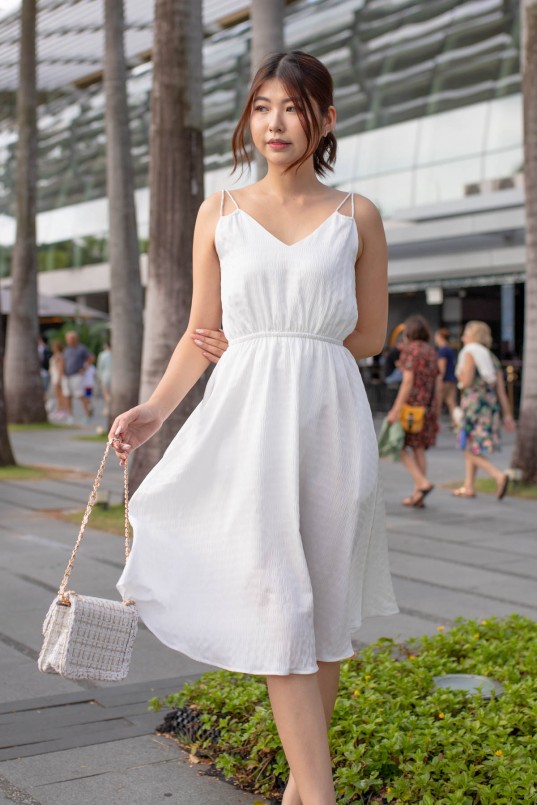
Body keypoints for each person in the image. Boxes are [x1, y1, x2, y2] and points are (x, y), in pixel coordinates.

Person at [110, 50, 398, 804]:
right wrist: (153, 411)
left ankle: (300, 793)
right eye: (263, 106)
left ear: (324, 120)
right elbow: (199, 331)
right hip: (248, 422)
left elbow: (371, 335)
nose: (276, 122)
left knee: (324, 616)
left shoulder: (358, 215)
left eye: (294, 107)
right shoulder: (220, 211)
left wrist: (295, 343)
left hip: (332, 421)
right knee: (281, 608)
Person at [452, 320, 515, 499]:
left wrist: (459, 374)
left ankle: (498, 475)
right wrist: (507, 415)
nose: (463, 337)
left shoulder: (470, 353)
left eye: (466, 334)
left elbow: (466, 382)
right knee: (473, 447)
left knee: (468, 447)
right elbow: (501, 390)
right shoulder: (491, 358)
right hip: (490, 406)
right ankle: (469, 486)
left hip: (474, 405)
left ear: (473, 336)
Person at [386, 315, 440, 508]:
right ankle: (419, 494)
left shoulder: (410, 350)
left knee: (397, 445)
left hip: (411, 407)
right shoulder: (431, 351)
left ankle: (422, 483)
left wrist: (395, 409)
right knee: (419, 449)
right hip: (427, 407)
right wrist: (437, 409)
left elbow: (407, 381)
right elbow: (437, 382)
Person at [62, 331, 91, 422]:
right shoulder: (66, 350)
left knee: (81, 395)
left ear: (75, 339)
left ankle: (87, 415)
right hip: (67, 376)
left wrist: (84, 368)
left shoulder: (81, 348)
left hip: (77, 376)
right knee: (67, 396)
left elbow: (90, 358)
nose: (67, 341)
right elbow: (64, 361)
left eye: (69, 339)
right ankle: (70, 416)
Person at [434, 327, 458, 424]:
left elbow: (441, 368)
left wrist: (439, 380)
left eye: (436, 336)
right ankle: (456, 421)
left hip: (444, 379)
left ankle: (435, 422)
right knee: (451, 401)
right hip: (452, 378)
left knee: (438, 402)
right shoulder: (450, 349)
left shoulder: (442, 351)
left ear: (440, 337)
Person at [48, 339, 69, 421]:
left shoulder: (59, 356)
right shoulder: (56, 355)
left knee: (61, 395)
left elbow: (61, 368)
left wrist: (59, 379)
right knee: (57, 395)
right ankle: (59, 409)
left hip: (58, 377)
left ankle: (63, 410)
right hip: (54, 376)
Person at [96, 341, 112, 417]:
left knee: (106, 394)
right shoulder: (116, 354)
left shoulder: (102, 355)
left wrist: (99, 378)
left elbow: (100, 367)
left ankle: (107, 408)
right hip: (114, 377)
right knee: (110, 393)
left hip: (105, 376)